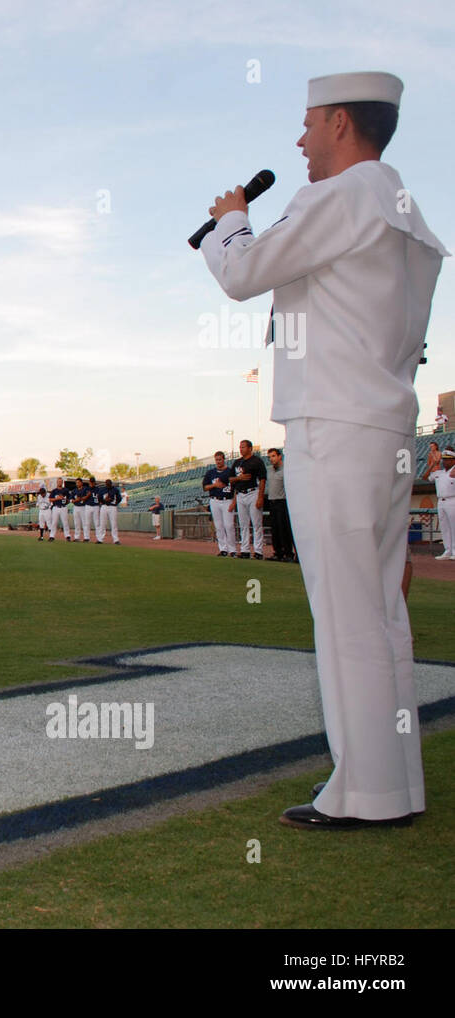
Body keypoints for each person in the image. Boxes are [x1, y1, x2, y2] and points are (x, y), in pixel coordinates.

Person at [201, 71, 446, 829]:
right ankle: (393, 783)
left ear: (341, 122)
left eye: (308, 124)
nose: (299, 140)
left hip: (333, 426)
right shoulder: (403, 209)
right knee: (379, 612)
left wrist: (232, 221)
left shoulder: (340, 196)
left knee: (347, 617)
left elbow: (244, 273)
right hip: (382, 425)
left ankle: (365, 793)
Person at [230, 439, 267, 560]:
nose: (241, 449)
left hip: (253, 492)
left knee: (256, 524)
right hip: (240, 494)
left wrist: (260, 497)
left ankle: (258, 551)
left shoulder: (257, 461)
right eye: (240, 447)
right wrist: (239, 478)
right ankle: (245, 550)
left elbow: (262, 479)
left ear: (250, 448)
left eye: (243, 447)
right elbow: (230, 479)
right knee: (243, 524)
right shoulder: (237, 463)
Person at [202, 451, 236, 557]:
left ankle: (232, 549)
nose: (218, 462)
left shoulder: (230, 471)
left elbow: (236, 488)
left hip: (227, 499)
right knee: (219, 526)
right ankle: (223, 549)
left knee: (229, 525)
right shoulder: (210, 473)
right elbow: (205, 487)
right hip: (215, 500)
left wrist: (234, 502)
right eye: (216, 460)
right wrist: (214, 485)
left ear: (224, 459)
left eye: (220, 459)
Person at [265, 448, 295, 562]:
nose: (271, 459)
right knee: (275, 529)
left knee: (284, 529)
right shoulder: (269, 470)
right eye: (269, 457)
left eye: (273, 456)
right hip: (272, 501)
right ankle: (278, 553)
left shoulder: (285, 470)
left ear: (279, 456)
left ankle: (288, 553)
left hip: (282, 501)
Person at [434, 448, 455, 560]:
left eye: (448, 460)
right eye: (444, 460)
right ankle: (448, 550)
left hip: (452, 500)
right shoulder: (441, 472)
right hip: (441, 501)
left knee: (453, 526)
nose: (445, 462)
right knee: (445, 527)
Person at [98, 479, 121, 545]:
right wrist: (104, 501)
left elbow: (119, 498)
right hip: (104, 506)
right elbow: (99, 497)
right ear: (105, 483)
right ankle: (100, 539)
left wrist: (115, 503)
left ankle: (116, 539)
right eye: (107, 483)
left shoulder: (115, 489)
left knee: (114, 524)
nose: (108, 484)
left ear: (111, 483)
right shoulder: (102, 489)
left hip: (112, 507)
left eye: (109, 483)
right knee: (102, 523)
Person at [72, 477, 93, 542]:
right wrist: (75, 500)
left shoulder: (85, 489)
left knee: (85, 523)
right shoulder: (74, 490)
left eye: (78, 482)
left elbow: (88, 495)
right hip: (76, 507)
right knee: (76, 523)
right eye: (76, 483)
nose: (77, 484)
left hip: (83, 507)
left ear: (81, 483)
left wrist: (81, 498)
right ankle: (77, 537)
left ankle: (86, 537)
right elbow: (71, 500)